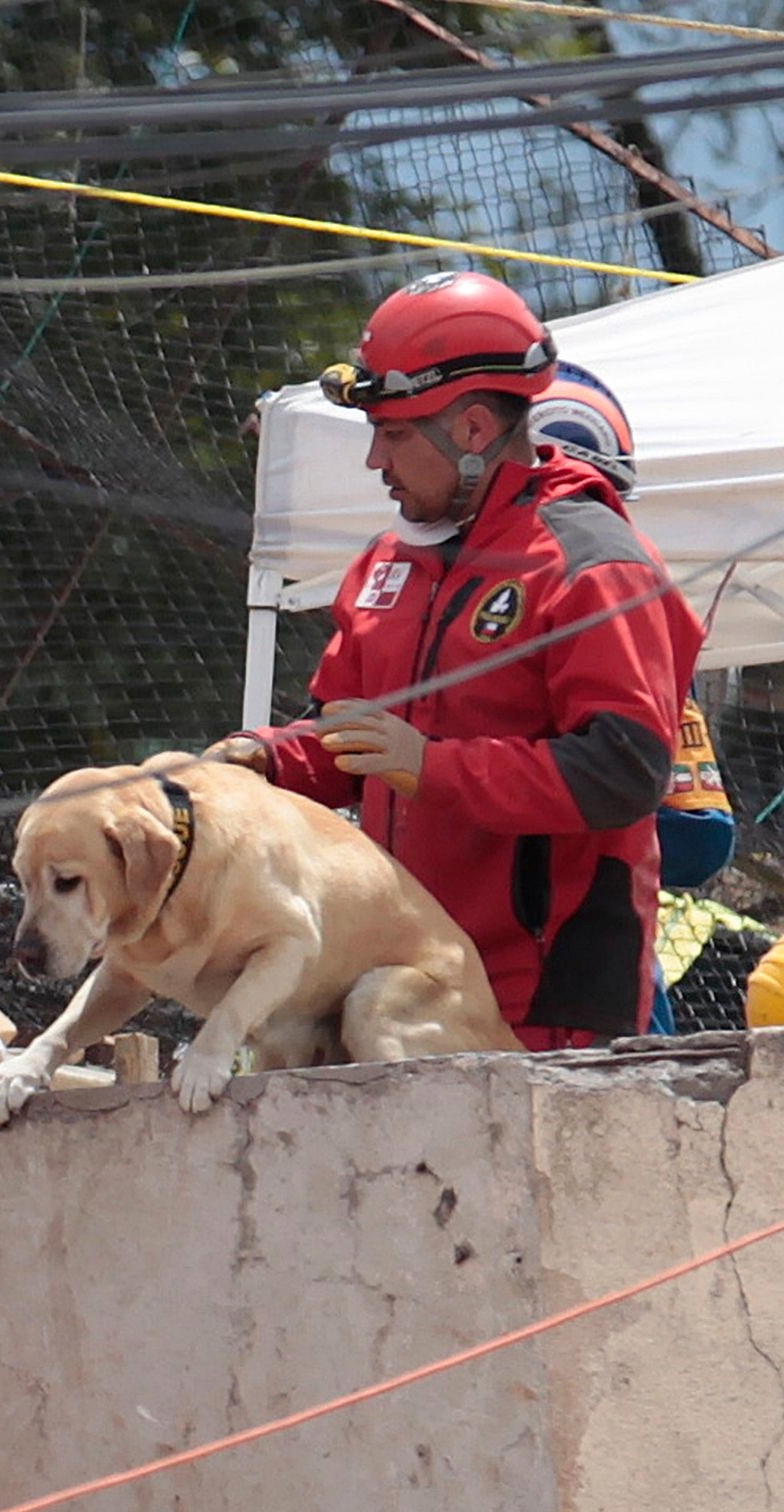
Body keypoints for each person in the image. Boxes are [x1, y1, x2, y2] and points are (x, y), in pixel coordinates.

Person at [211, 271, 703, 1047]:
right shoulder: (387, 563)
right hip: (401, 976)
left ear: (473, 429)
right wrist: (262, 760)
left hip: (544, 992)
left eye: (396, 433)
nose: (377, 459)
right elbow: (344, 736)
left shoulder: (592, 563)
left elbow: (624, 771)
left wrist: (429, 767)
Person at [525, 361, 738, 1035]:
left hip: (595, 990)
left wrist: (522, 809)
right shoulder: (428, 601)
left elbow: (702, 838)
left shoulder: (630, 617)